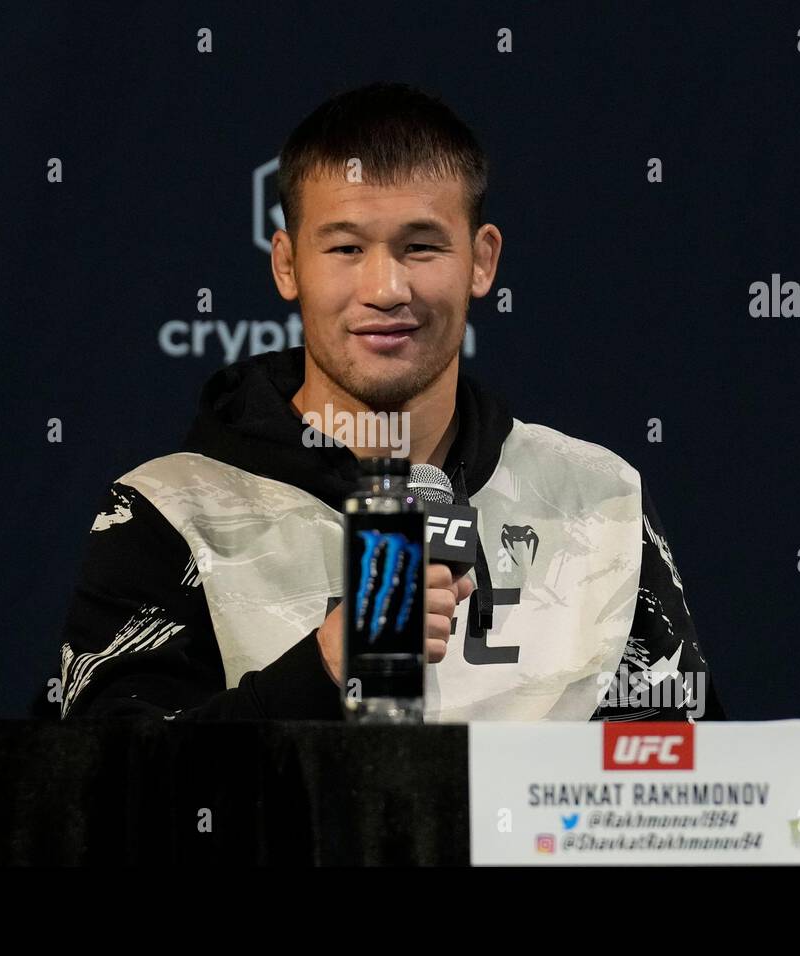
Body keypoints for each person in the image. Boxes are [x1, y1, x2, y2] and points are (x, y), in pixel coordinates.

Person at [56, 82, 725, 723]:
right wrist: (326, 666)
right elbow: (110, 804)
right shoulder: (170, 514)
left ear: (482, 261)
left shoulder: (594, 497)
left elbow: (685, 801)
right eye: (346, 248)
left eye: (421, 246)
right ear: (287, 265)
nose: (385, 287)